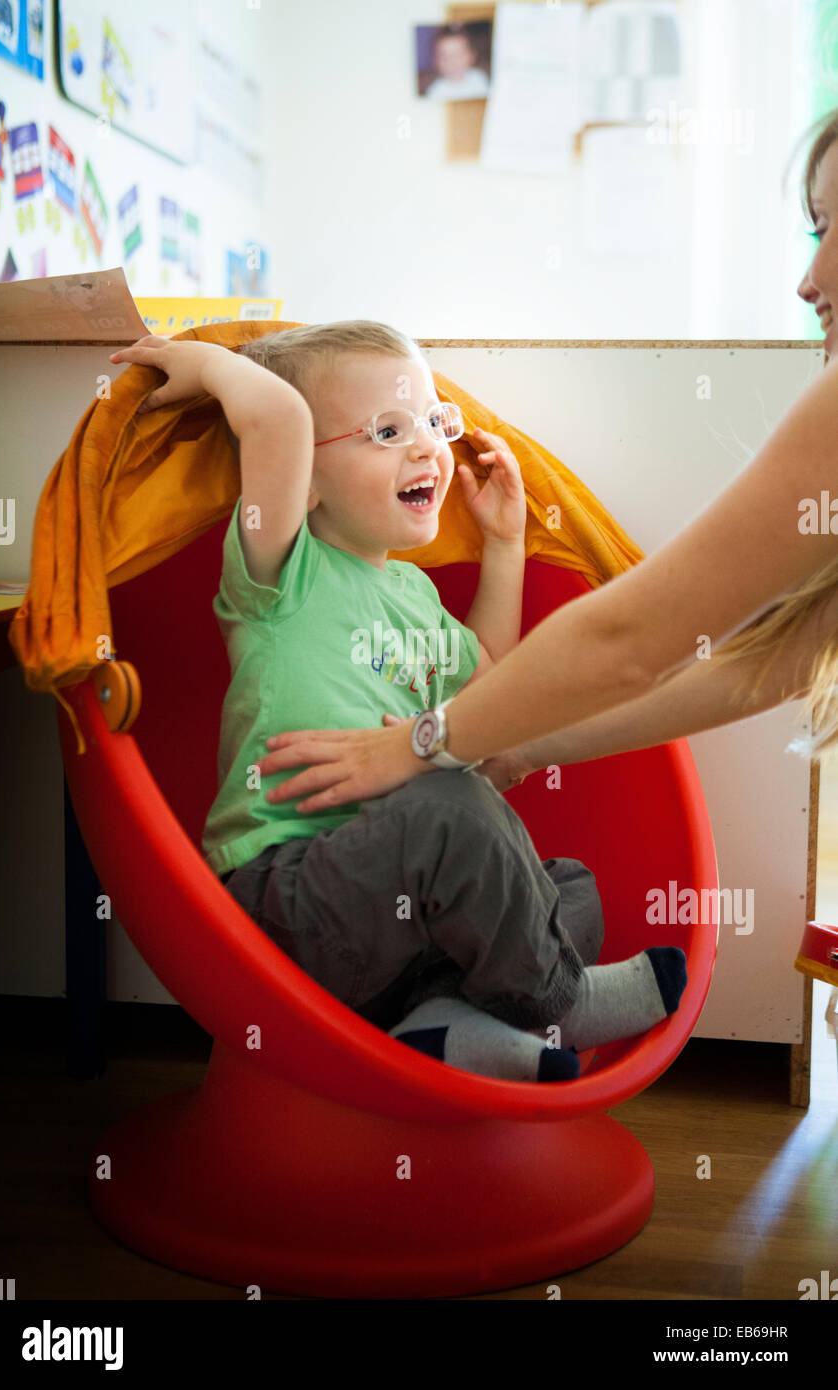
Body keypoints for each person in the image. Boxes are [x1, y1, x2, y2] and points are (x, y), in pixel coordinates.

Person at [108, 320, 688, 1085]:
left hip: (400, 934)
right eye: (387, 431)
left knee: (564, 885)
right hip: (291, 901)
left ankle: (443, 1023)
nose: (426, 448)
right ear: (303, 479)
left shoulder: (412, 596)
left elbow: (490, 693)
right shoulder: (281, 572)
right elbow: (276, 419)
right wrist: (207, 363)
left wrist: (505, 544)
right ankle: (558, 997)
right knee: (453, 804)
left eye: (431, 422)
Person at [257, 108, 838, 817]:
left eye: (831, 229)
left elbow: (623, 643)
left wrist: (418, 742)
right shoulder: (283, 573)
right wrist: (511, 747)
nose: (809, 280)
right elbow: (781, 658)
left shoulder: (414, 599)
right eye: (816, 229)